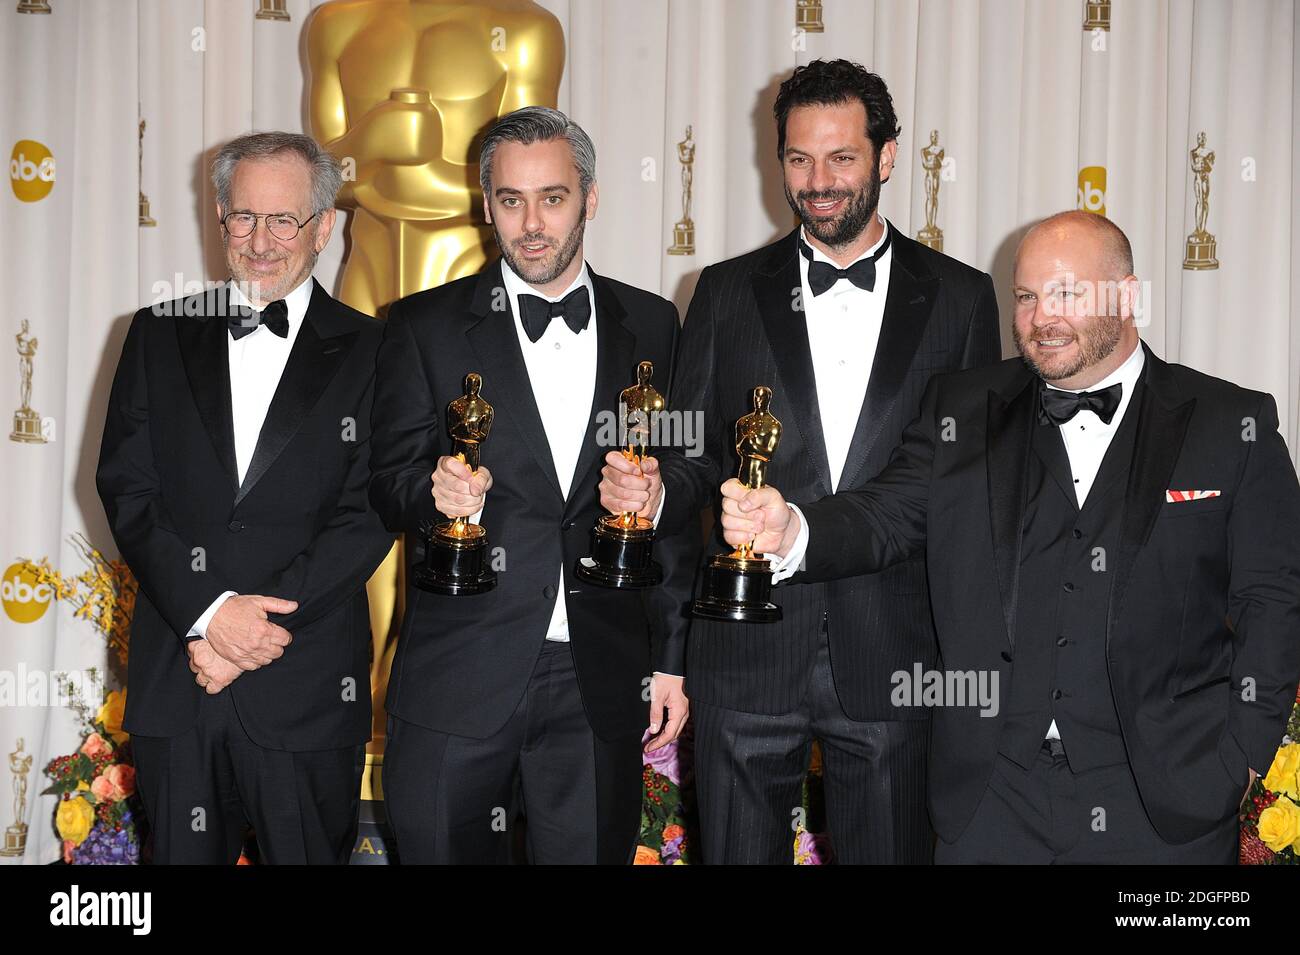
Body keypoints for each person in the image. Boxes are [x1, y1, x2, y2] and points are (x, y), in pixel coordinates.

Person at [721, 210, 1300, 863]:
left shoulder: (1232, 425)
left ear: (1128, 296)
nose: (1040, 317)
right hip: (991, 801)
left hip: (1163, 803)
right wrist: (794, 527)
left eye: (1067, 293)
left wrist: (1245, 755)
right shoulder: (963, 409)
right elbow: (885, 513)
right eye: (1026, 297)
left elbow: (1274, 600)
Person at [606, 58, 1001, 864]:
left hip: (894, 656)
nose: (817, 182)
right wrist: (650, 497)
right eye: (797, 158)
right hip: (743, 654)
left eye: (842, 158)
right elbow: (691, 461)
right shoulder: (721, 290)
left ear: (887, 157)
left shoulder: (961, 299)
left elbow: (958, 487)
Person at [368, 106, 689, 864]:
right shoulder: (422, 326)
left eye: (553, 197)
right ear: (486, 206)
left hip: (599, 678)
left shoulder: (654, 323)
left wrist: (672, 656)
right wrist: (431, 491)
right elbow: (384, 483)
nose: (532, 223)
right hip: (458, 673)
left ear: (592, 197)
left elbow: (678, 501)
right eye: (511, 201)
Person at [96, 131, 393, 864]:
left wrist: (251, 633)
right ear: (219, 217)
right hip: (180, 677)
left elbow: (370, 512)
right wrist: (210, 616)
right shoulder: (156, 335)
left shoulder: (377, 351)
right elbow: (128, 490)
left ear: (324, 226)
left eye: (284, 220)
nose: (261, 241)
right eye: (242, 217)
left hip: (308, 682)